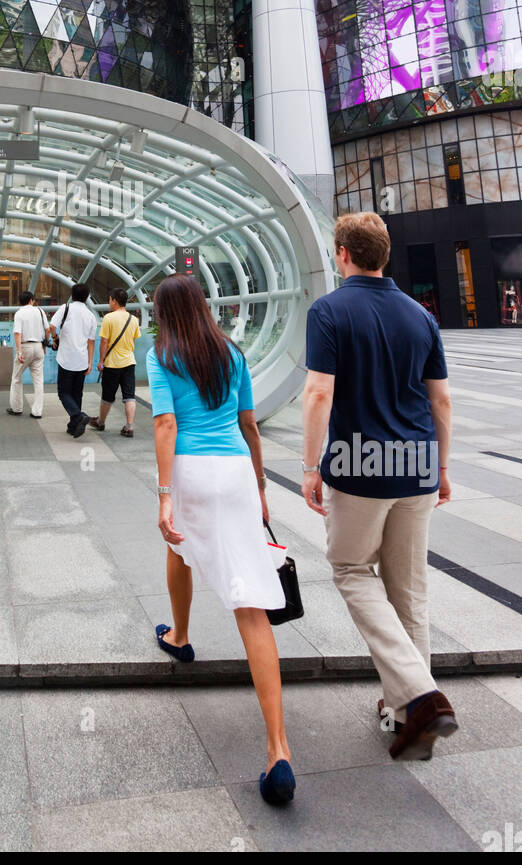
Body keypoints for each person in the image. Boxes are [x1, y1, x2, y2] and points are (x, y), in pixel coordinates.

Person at [301, 211, 457, 762]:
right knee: (408, 590)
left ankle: (419, 697)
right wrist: (441, 467)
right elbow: (439, 400)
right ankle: (407, 710)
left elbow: (319, 393)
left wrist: (310, 466)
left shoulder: (329, 311)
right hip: (416, 465)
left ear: (342, 253)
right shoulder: (421, 316)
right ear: (384, 254)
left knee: (350, 569)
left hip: (360, 466)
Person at [147, 273, 293, 807]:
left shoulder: (162, 354)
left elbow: (165, 424)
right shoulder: (232, 353)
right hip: (233, 471)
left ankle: (181, 636)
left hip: (190, 471)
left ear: (164, 313)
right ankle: (278, 749)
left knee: (176, 545)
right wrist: (259, 487)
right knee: (250, 607)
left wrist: (164, 495)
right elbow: (249, 423)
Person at [89, 289, 141, 436]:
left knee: (107, 395)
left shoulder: (109, 318)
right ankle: (129, 426)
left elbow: (104, 341)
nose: (109, 302)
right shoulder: (134, 319)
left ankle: (101, 422)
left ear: (115, 301)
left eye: (110, 299)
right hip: (129, 362)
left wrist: (100, 360)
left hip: (112, 364)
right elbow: (134, 339)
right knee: (129, 395)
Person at [49, 282, 97, 439]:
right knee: (77, 394)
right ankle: (73, 426)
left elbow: (52, 326)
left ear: (72, 294)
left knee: (63, 393)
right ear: (87, 297)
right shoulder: (91, 316)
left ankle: (78, 416)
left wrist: (55, 338)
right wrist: (90, 362)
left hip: (66, 359)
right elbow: (91, 342)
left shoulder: (66, 308)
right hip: (82, 360)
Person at [7, 290, 50, 418]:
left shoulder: (19, 313)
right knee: (38, 380)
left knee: (16, 377)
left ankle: (17, 408)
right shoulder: (40, 311)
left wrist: (19, 351)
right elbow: (47, 330)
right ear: (32, 300)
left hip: (25, 346)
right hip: (38, 346)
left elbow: (17, 333)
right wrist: (45, 343)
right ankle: (37, 412)